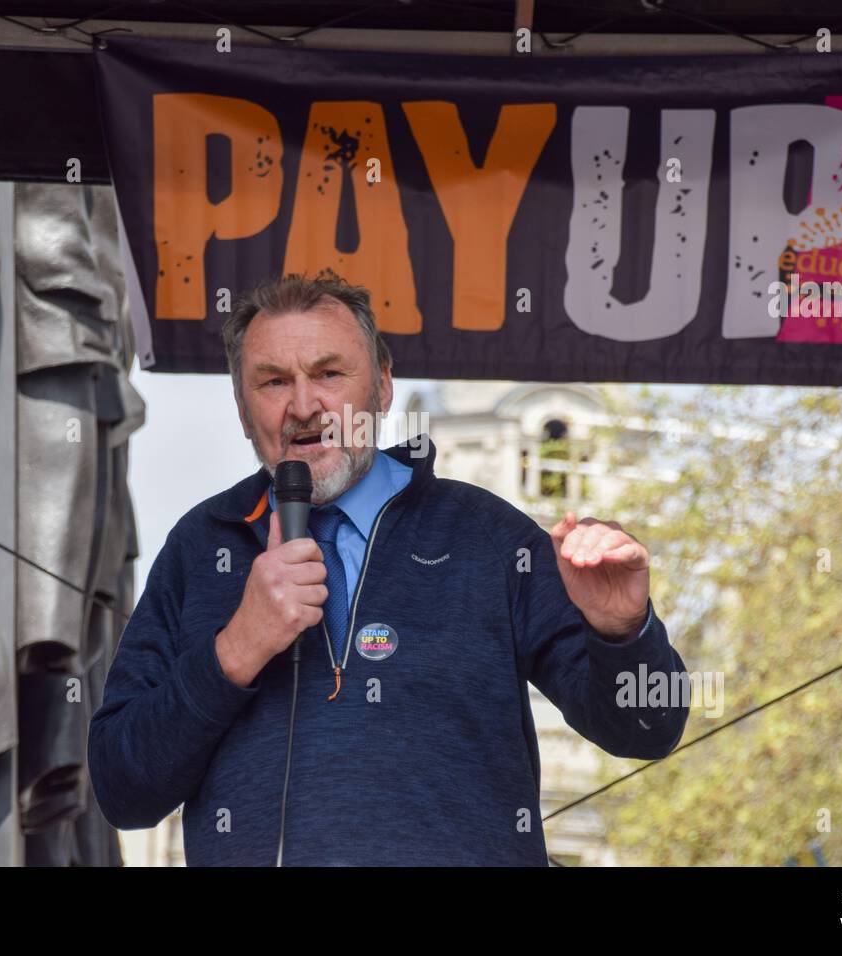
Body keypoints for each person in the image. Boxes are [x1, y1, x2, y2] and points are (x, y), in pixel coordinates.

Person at [87, 272, 690, 866]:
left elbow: (648, 727)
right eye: (272, 381)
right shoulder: (201, 548)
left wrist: (622, 632)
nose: (303, 405)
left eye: (329, 373)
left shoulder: (487, 535)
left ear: (381, 387)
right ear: (244, 411)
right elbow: (122, 790)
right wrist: (236, 649)